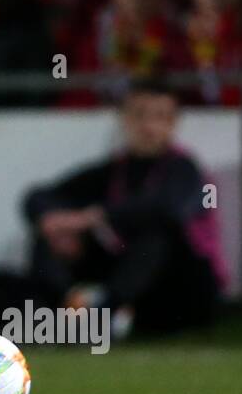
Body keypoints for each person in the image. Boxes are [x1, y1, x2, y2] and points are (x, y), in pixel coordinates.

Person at [22, 79, 223, 336]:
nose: (148, 126)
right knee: (52, 232)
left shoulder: (185, 169)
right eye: (139, 115)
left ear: (173, 123)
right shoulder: (114, 170)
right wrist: (55, 222)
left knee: (157, 238)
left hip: (180, 285)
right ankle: (72, 309)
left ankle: (102, 314)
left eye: (160, 116)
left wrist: (93, 217)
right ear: (124, 119)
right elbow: (38, 196)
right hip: (124, 275)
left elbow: (167, 209)